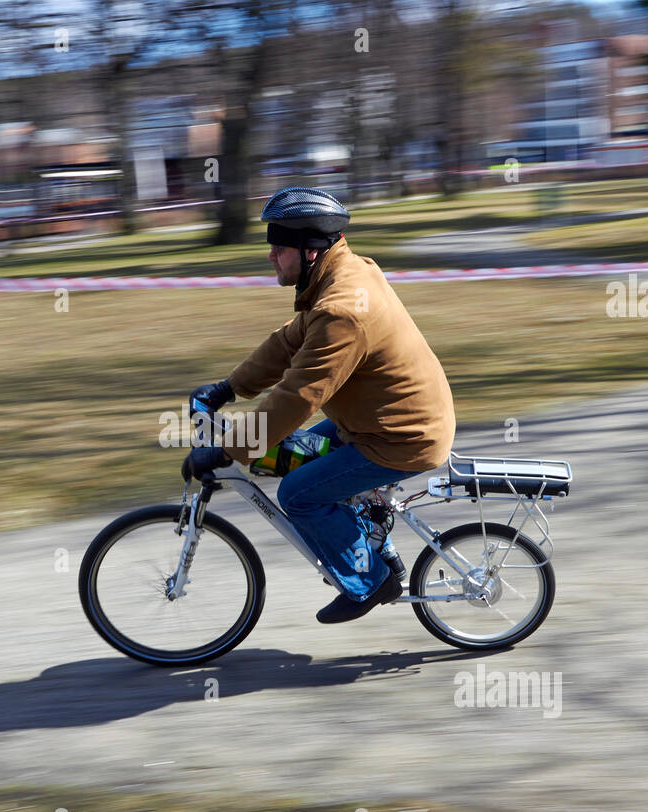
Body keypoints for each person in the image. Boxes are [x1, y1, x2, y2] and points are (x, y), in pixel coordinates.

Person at [182, 186, 456, 624]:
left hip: (403, 437)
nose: (271, 256)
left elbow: (298, 397)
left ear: (310, 250)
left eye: (278, 247)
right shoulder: (339, 278)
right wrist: (228, 388)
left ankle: (369, 581)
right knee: (287, 456)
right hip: (379, 422)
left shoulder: (343, 310)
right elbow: (288, 343)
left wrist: (229, 451)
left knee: (298, 494)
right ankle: (371, 532)